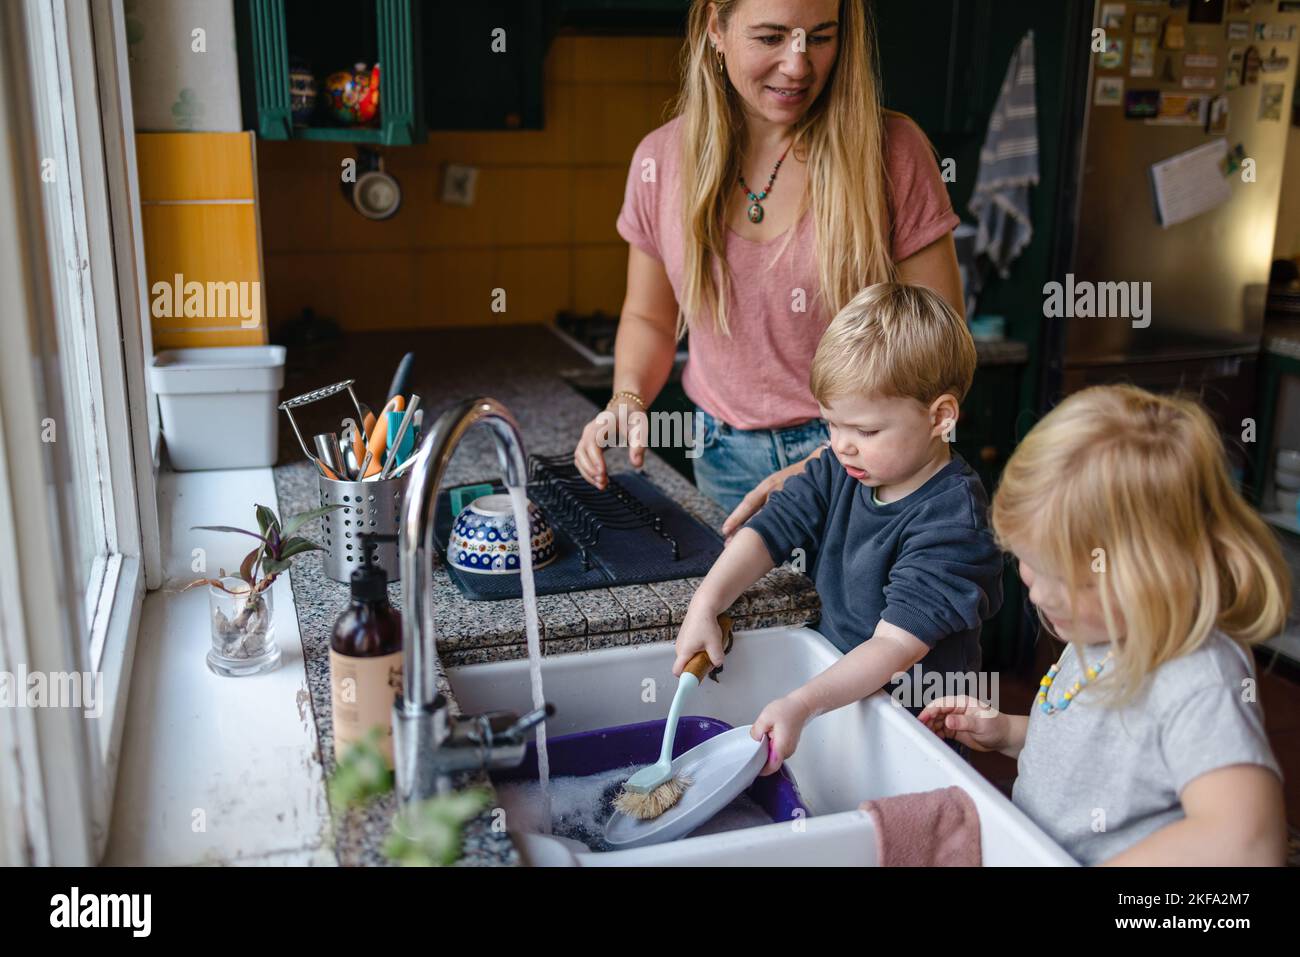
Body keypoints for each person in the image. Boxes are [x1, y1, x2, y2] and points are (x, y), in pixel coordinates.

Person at [573, 0, 963, 535]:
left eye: (820, 37)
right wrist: (626, 397)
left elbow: (942, 350)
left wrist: (821, 468)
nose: (799, 65)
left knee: (856, 622)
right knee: (749, 619)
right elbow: (650, 318)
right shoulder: (659, 161)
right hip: (720, 455)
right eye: (771, 37)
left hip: (864, 462)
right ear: (716, 27)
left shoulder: (892, 151)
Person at [920, 385, 1289, 866]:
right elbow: (1104, 762)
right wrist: (1009, 733)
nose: (1040, 594)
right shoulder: (1097, 630)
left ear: (1157, 570)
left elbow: (1248, 840)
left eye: (1066, 578)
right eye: (1029, 564)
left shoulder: (1197, 676)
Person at [673, 282, 1003, 775]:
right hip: (839, 694)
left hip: (912, 730)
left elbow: (894, 646)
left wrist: (802, 704)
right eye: (830, 424)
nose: (842, 445)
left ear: (940, 417)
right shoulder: (840, 467)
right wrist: (707, 602)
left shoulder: (953, 520)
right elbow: (772, 527)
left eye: (865, 431)